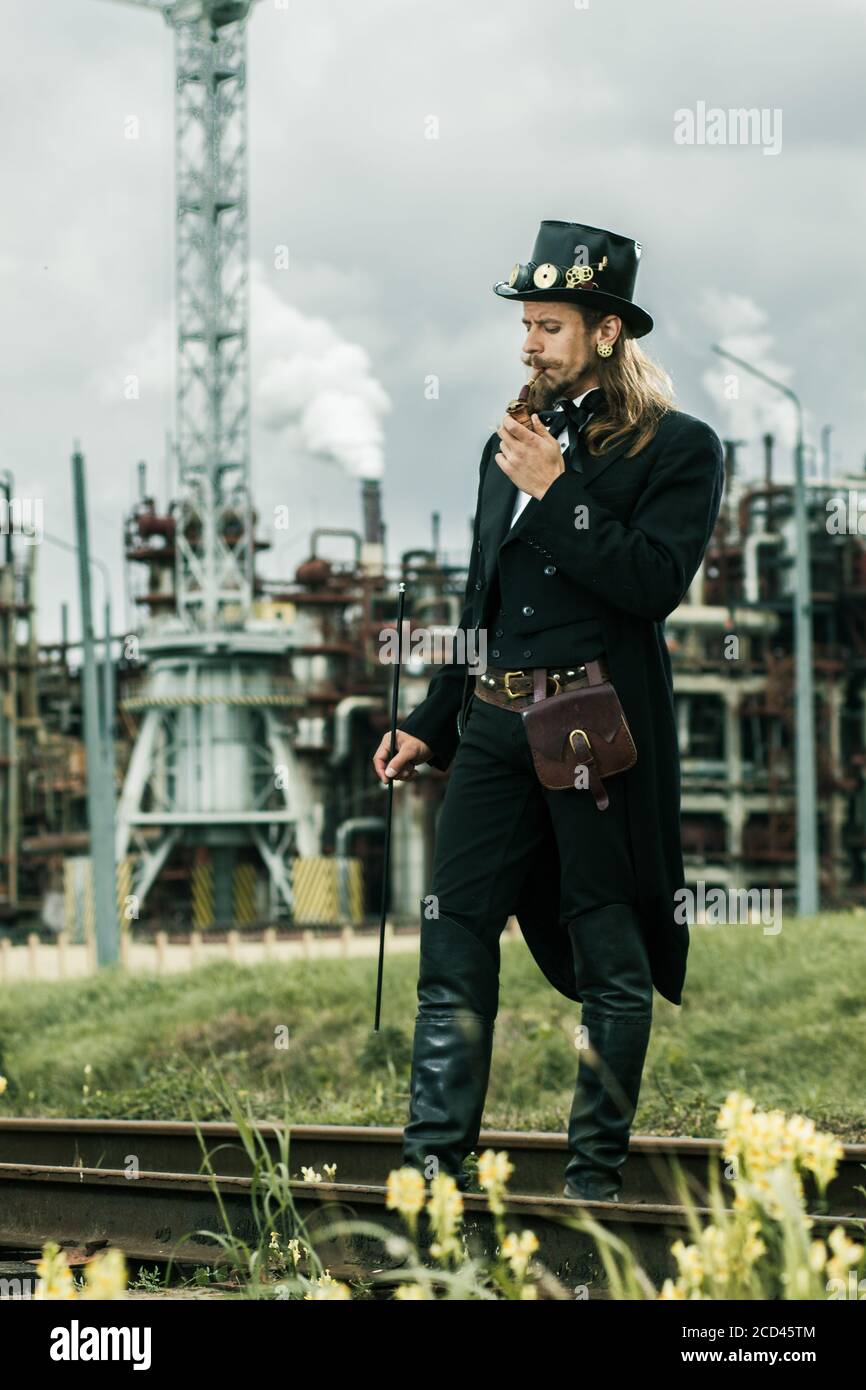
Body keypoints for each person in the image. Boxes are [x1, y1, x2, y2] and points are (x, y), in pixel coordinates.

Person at [372, 220, 725, 1201]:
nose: (528, 343)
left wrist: (561, 492)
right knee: (450, 935)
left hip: (585, 722)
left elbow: (650, 583)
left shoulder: (678, 449)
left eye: (550, 326)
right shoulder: (510, 445)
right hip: (490, 721)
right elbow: (480, 599)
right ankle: (430, 1176)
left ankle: (592, 1178)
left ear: (606, 333)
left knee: (607, 948)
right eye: (524, 324)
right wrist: (431, 721)